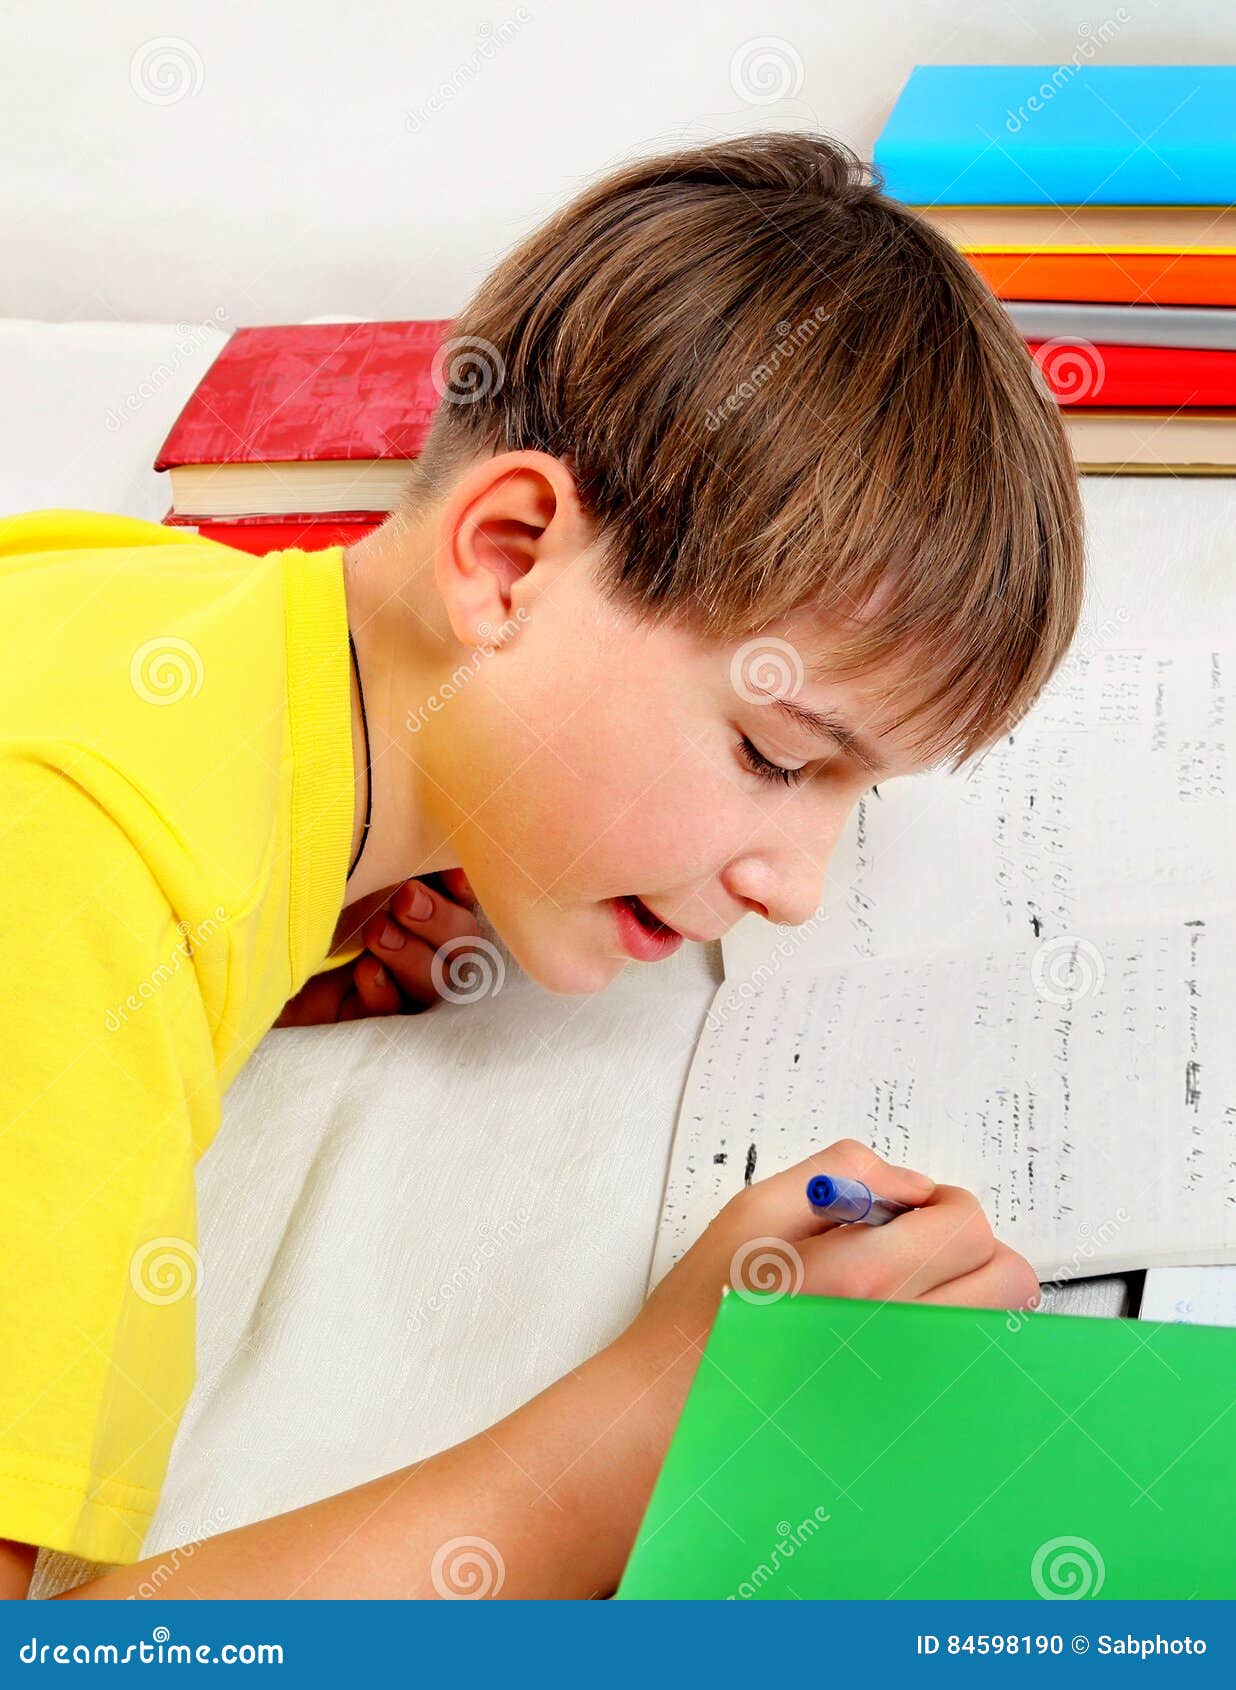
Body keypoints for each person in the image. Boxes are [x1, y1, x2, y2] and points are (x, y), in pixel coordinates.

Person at [0, 130, 1082, 1598]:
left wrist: (314, 911)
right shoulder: (88, 879)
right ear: (506, 557)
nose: (795, 885)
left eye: (856, 800)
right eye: (773, 755)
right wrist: (647, 1427)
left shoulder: (166, 614)